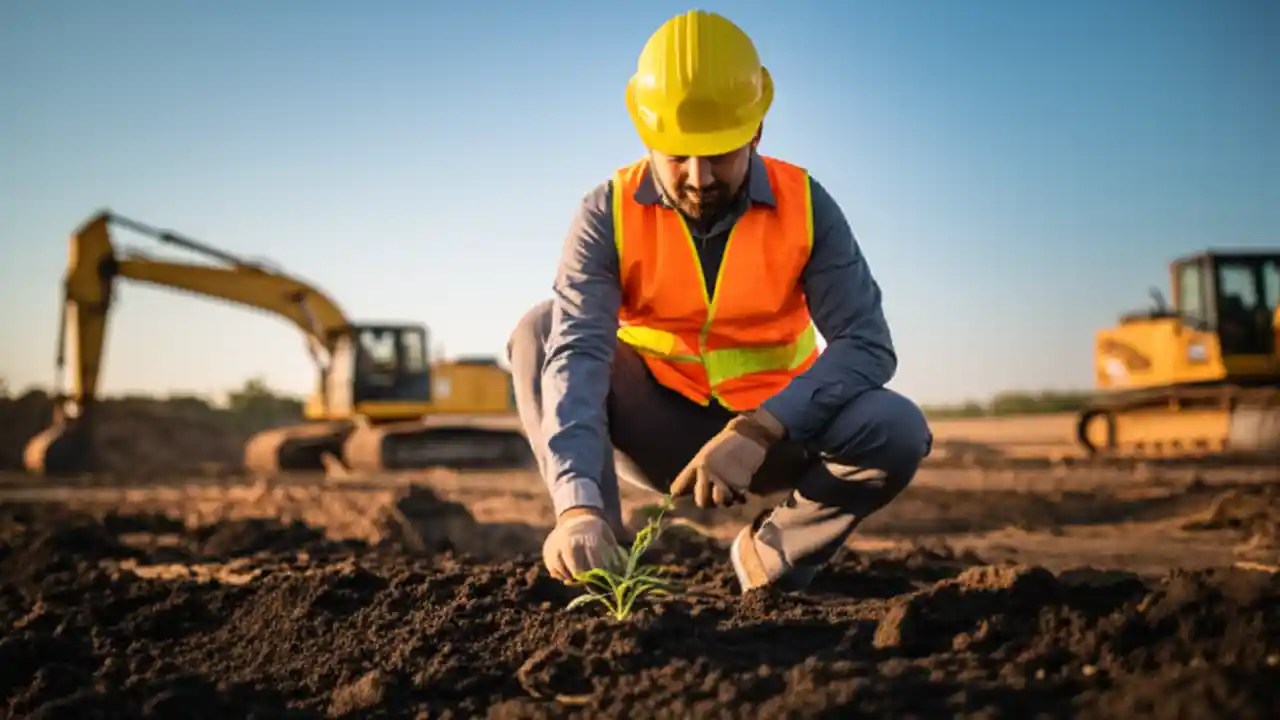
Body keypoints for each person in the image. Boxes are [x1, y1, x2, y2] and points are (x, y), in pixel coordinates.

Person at [506, 9, 932, 594]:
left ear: (756, 130)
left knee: (896, 427)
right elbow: (578, 353)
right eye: (678, 154)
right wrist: (576, 505)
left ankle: (770, 558)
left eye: (719, 153)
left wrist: (757, 431)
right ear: (647, 135)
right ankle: (603, 557)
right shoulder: (606, 212)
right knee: (541, 331)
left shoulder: (807, 206)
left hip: (780, 436)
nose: (699, 177)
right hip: (655, 430)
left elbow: (866, 345)